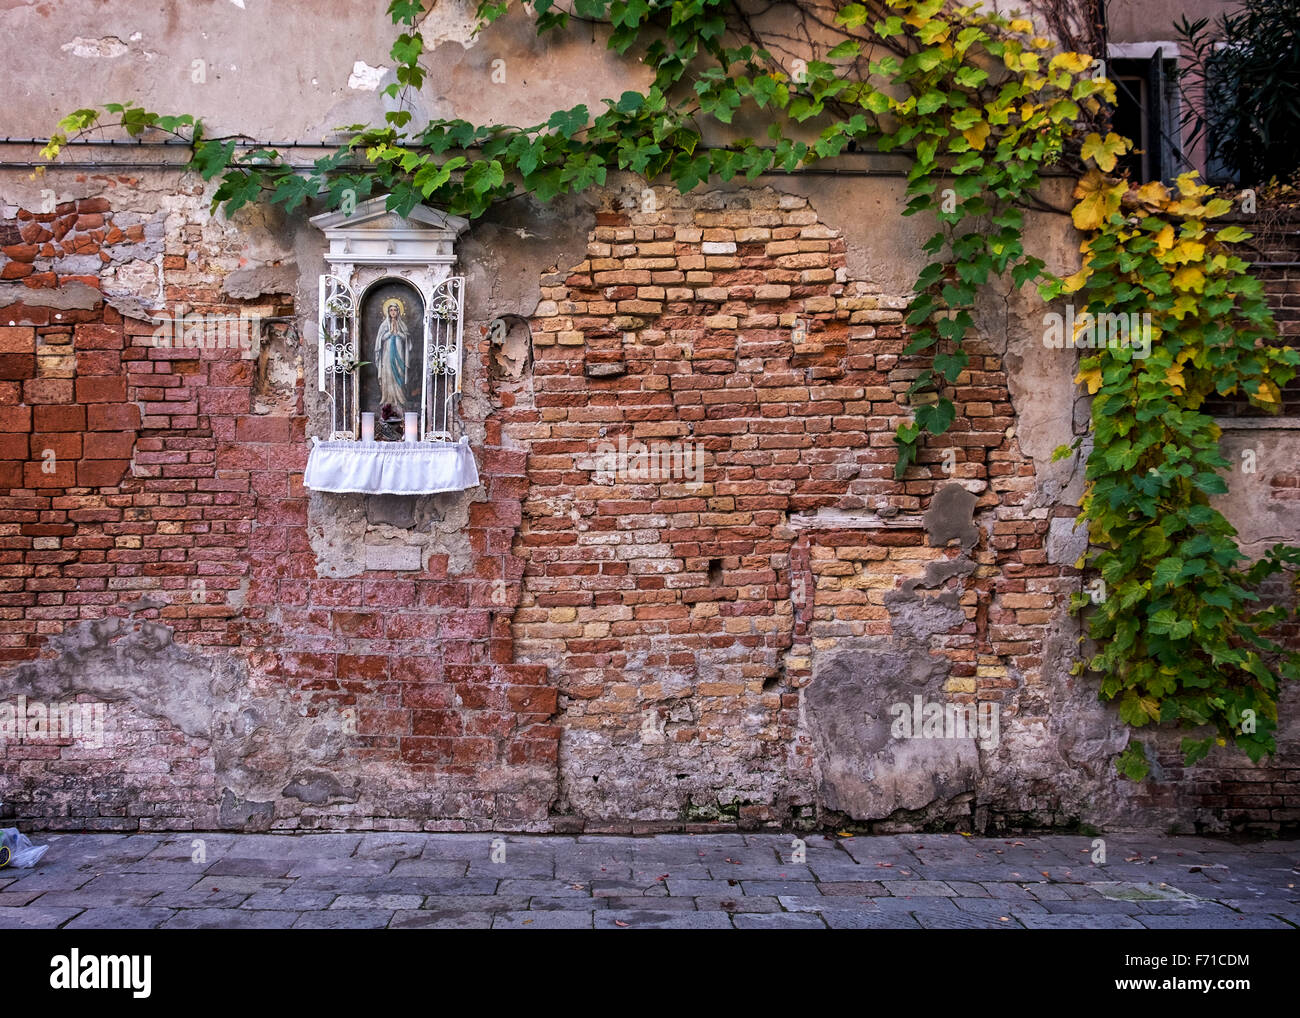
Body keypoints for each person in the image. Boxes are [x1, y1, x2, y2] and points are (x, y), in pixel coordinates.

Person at [376, 297, 409, 411]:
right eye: (391, 310)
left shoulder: (402, 324)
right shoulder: (384, 325)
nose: (393, 312)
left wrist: (398, 333)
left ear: (398, 311)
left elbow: (406, 339)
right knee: (388, 373)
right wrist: (389, 334)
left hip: (399, 353)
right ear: (388, 312)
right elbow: (379, 340)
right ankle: (387, 399)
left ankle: (399, 398)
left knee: (399, 373)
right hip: (387, 353)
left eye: (395, 310)